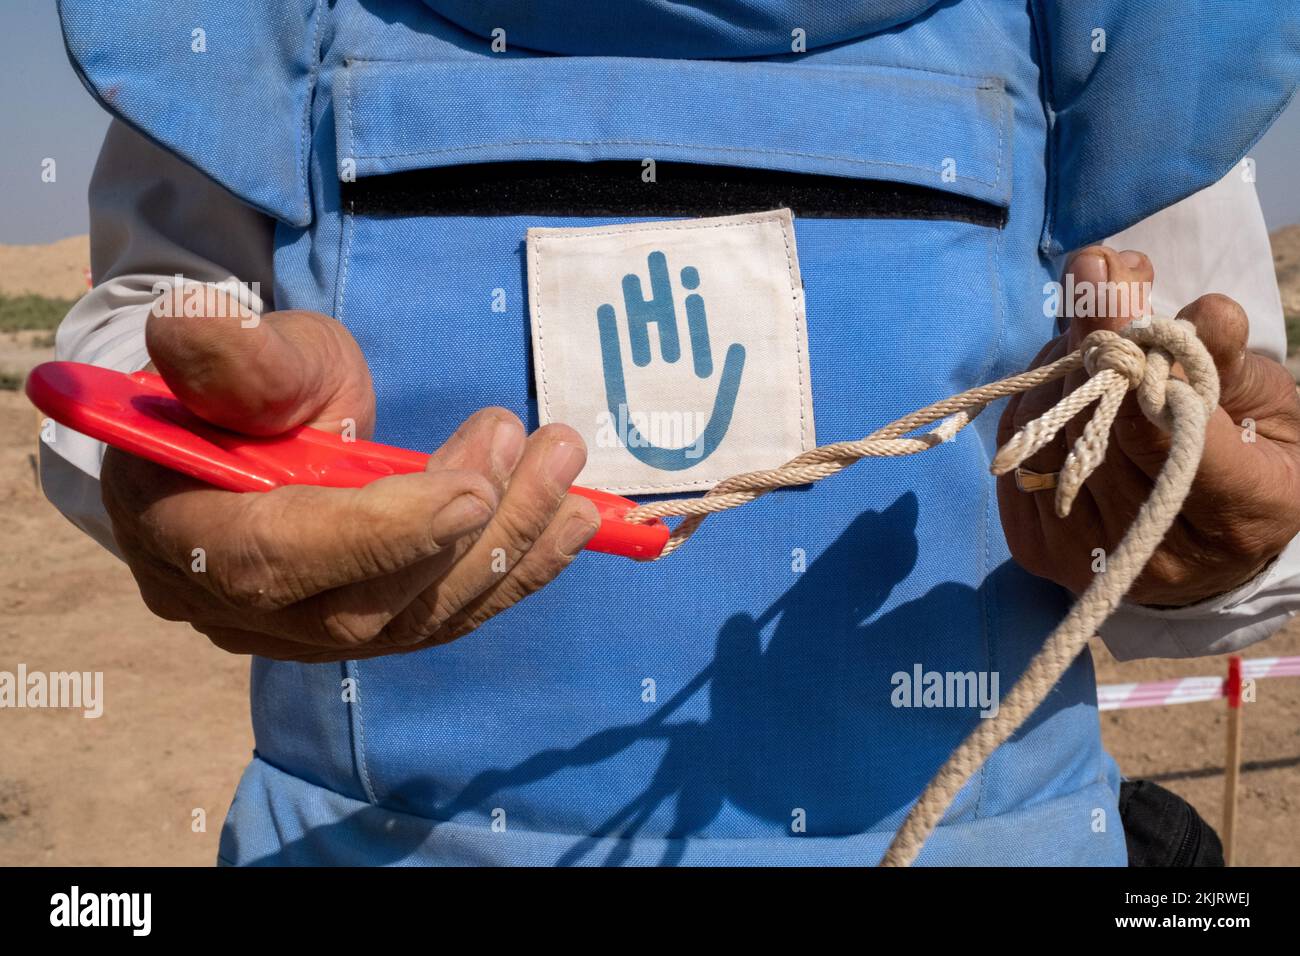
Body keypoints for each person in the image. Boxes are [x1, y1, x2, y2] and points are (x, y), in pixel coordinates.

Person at [42, 1, 1300, 865]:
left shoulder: (1115, 26)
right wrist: (195, 473)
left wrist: (1192, 529)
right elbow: (147, 330)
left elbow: (1222, 428)